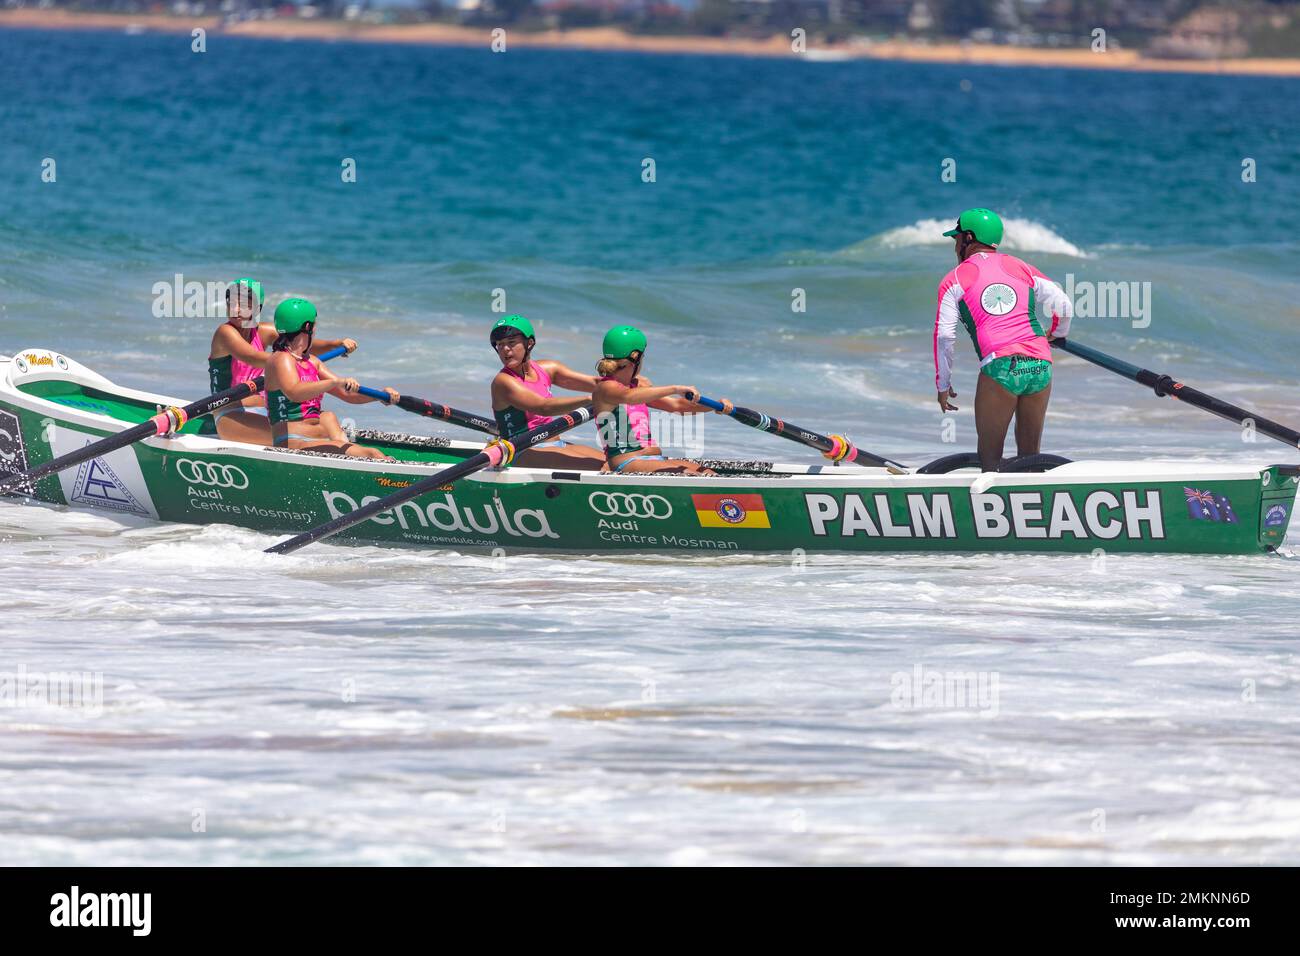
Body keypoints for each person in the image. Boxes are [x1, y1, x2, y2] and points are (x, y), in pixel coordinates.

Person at [934, 208, 1073, 471]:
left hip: (1001, 367)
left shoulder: (953, 279)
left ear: (969, 239)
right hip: (1040, 363)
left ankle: (987, 507)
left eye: (957, 239)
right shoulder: (1020, 266)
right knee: (1031, 460)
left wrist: (943, 383)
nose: (954, 246)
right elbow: (1064, 305)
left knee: (990, 460)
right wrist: (1057, 333)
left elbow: (944, 336)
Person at [207, 278, 357, 444]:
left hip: (267, 411)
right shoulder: (225, 332)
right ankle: (337, 450)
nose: (236, 309)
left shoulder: (264, 331)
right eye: (232, 303)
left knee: (325, 421)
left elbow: (298, 341)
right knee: (313, 435)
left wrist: (335, 344)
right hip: (231, 414)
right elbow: (253, 357)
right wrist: (289, 364)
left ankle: (343, 450)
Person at [263, 298, 399, 460]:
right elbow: (294, 392)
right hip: (293, 443)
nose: (315, 329)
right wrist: (333, 382)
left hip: (317, 440)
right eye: (315, 325)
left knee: (328, 417)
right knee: (372, 454)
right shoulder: (281, 359)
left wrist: (379, 396)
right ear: (308, 327)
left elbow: (347, 394)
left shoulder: (312, 361)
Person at [592, 325, 729, 475]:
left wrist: (716, 406)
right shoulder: (605, 388)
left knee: (706, 471)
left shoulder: (637, 387)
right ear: (636, 357)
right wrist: (676, 388)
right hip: (626, 463)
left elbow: (677, 406)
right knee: (693, 475)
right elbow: (628, 397)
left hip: (654, 460)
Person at [489, 314, 605, 470]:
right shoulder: (503, 382)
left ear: (529, 343)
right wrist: (590, 399)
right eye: (500, 345)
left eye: (511, 343)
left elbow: (595, 383)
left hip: (556, 444)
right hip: (521, 452)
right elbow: (544, 407)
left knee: (611, 462)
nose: (505, 349)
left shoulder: (548, 368)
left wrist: (633, 387)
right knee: (602, 468)